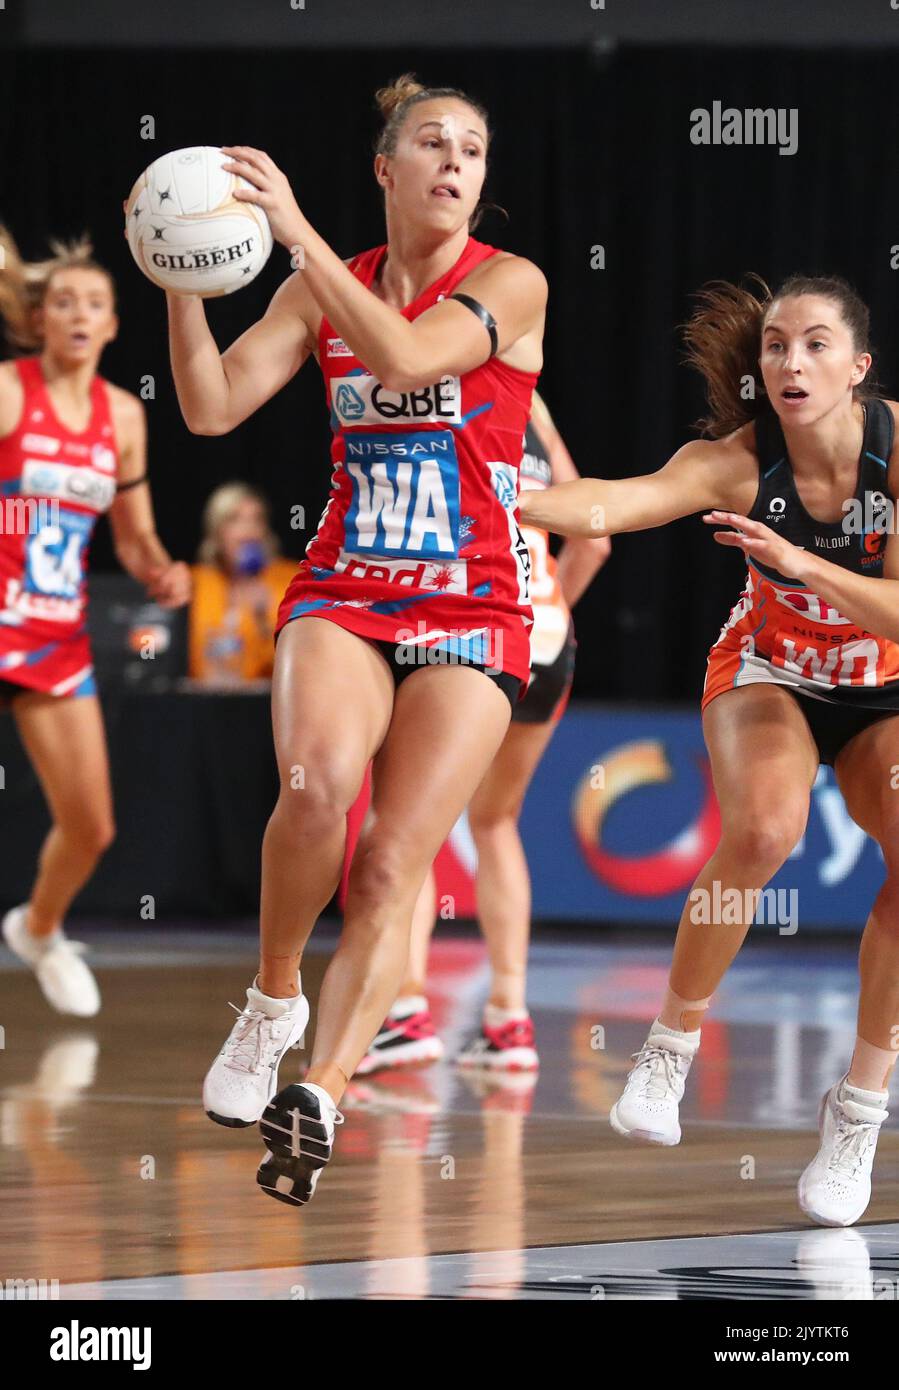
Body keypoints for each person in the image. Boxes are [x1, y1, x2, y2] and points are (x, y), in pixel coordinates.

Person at [162, 72, 547, 1205]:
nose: (454, 164)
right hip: (348, 582)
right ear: (385, 169)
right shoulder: (326, 288)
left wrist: (297, 237)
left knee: (392, 863)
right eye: (431, 143)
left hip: (473, 601)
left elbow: (410, 360)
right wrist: (178, 277)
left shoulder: (511, 284)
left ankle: (322, 1088)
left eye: (471, 151)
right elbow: (209, 407)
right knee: (318, 786)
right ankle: (273, 998)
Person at [518, 273, 899, 1228]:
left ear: (857, 369)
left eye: (814, 345)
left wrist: (803, 564)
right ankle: (668, 1045)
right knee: (764, 830)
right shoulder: (737, 462)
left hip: (883, 679)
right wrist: (504, 498)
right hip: (771, 669)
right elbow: (619, 504)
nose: (789, 362)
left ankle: (857, 1108)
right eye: (775, 345)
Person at [357, 390, 610, 1076]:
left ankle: (404, 1011)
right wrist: (547, 617)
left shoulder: (428, 395)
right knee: (494, 824)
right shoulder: (535, 405)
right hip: (545, 638)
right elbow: (596, 536)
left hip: (463, 631)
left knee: (404, 826)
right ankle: (507, 1020)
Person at [0, 228, 191, 1016]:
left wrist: (159, 566)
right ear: (40, 317)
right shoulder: (10, 391)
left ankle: (38, 929)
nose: (81, 316)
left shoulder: (124, 415)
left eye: (97, 304)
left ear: (114, 325)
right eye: (66, 302)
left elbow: (132, 533)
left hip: (53, 634)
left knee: (92, 828)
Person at [189, 482, 297, 685]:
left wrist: (263, 621)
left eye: (257, 520)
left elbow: (298, 663)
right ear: (216, 531)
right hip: (203, 701)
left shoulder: (289, 581)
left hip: (264, 704)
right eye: (235, 520)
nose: (249, 531)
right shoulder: (195, 583)